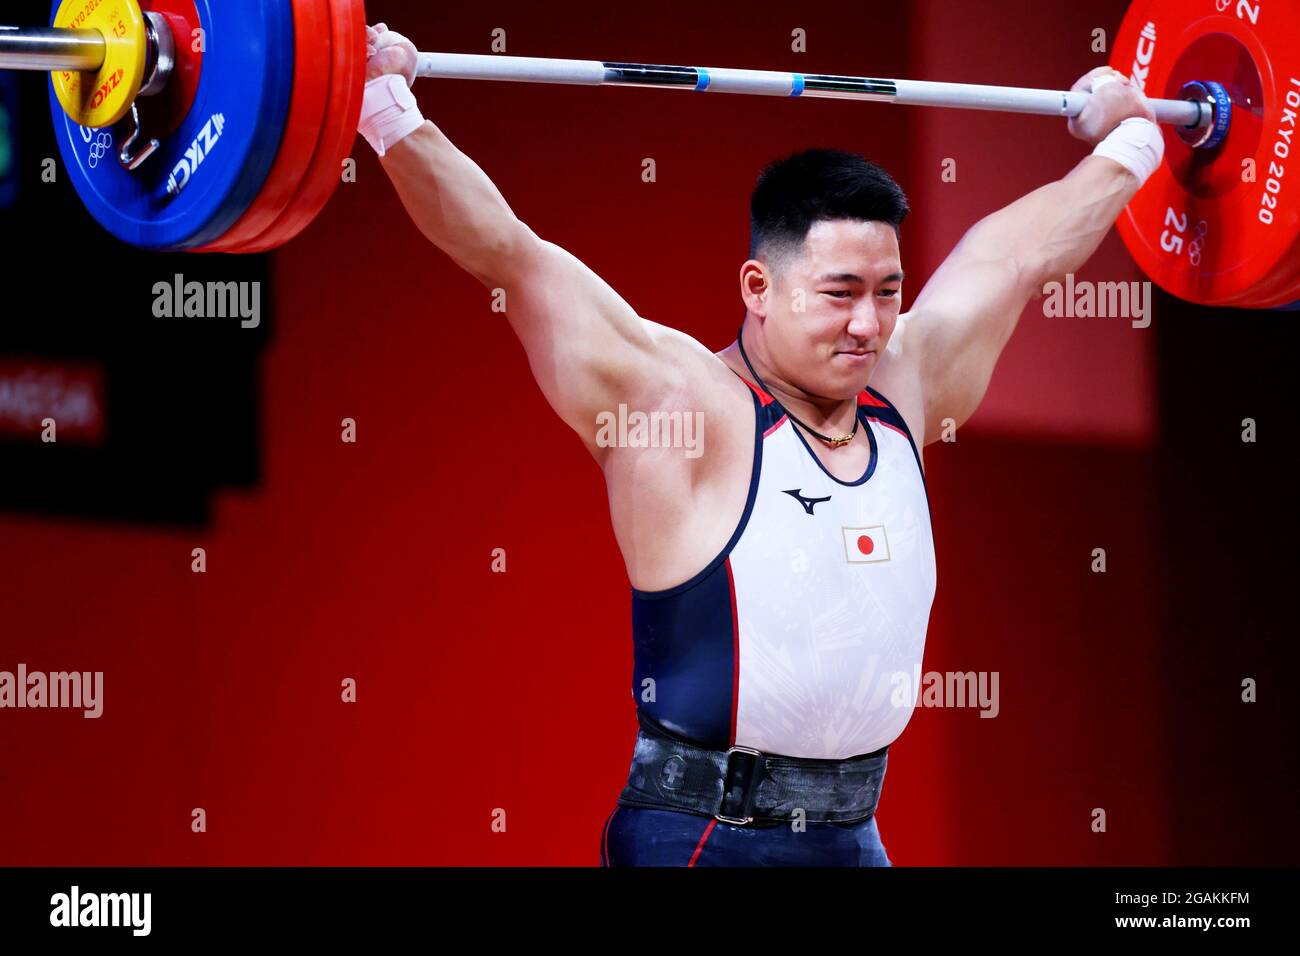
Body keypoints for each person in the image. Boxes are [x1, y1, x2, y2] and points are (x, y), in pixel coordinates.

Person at [359, 24, 1162, 866]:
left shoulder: (906, 381)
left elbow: (1018, 256)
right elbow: (508, 255)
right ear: (759, 287)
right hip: (703, 838)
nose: (868, 323)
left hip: (855, 837)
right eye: (839, 293)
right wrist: (382, 102)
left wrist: (1137, 135)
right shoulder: (678, 402)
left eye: (888, 291)